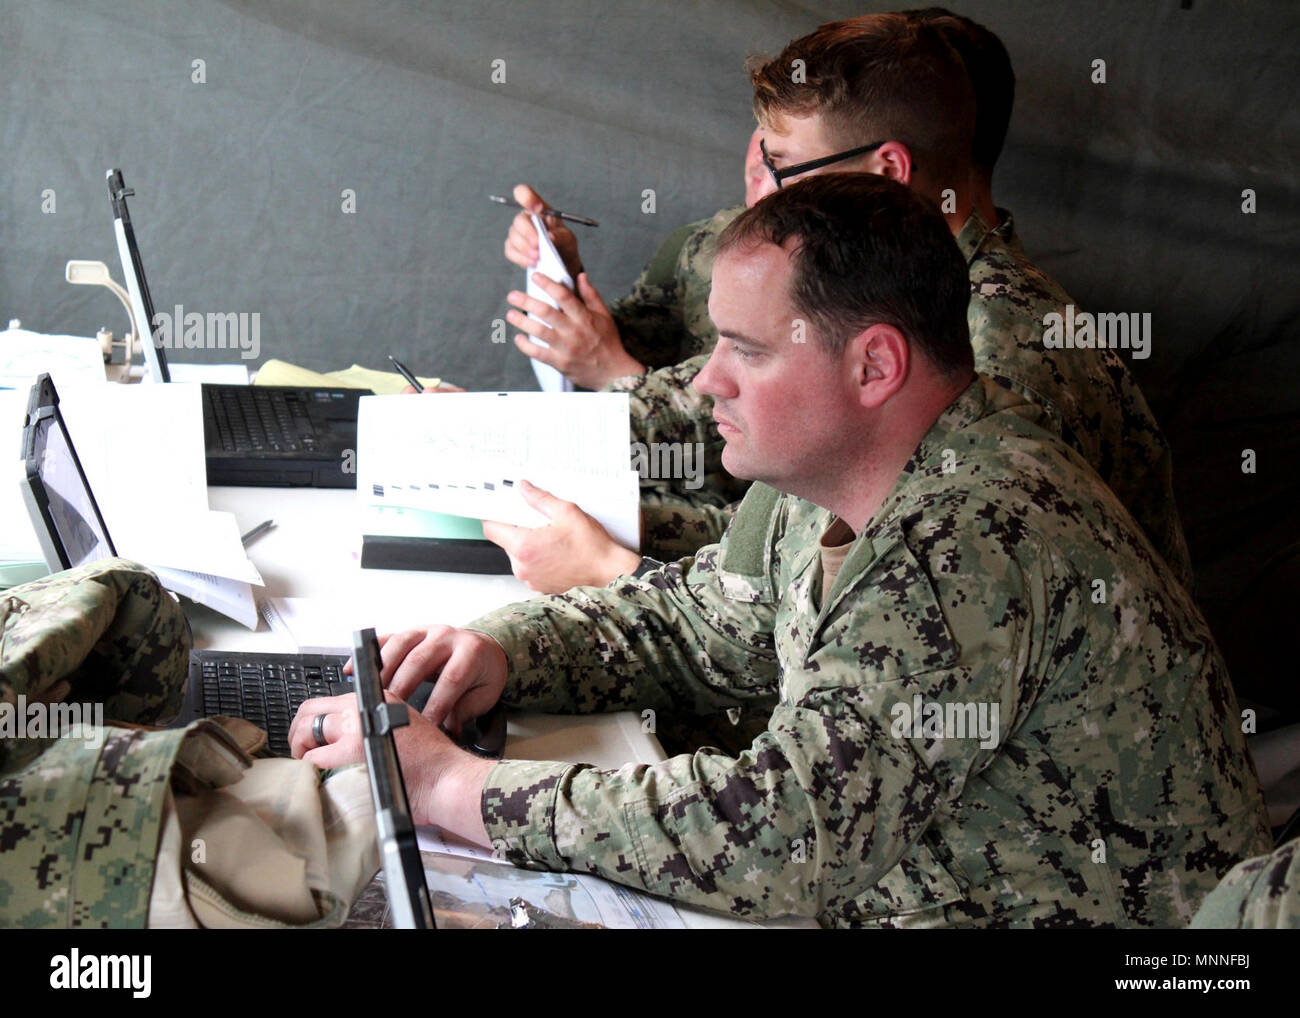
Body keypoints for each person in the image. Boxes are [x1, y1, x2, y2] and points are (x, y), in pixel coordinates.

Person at [291, 175, 1267, 928]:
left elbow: (785, 828)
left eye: (746, 351)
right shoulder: (851, 471)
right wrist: (502, 651)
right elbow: (703, 621)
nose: (705, 380)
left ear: (874, 365)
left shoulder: (968, 537)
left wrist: (451, 788)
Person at [488, 10, 1194, 597]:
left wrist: (620, 559)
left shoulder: (999, 350)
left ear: (889, 169)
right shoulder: (892, 289)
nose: (766, 188)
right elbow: (772, 534)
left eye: (787, 166)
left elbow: (888, 624)